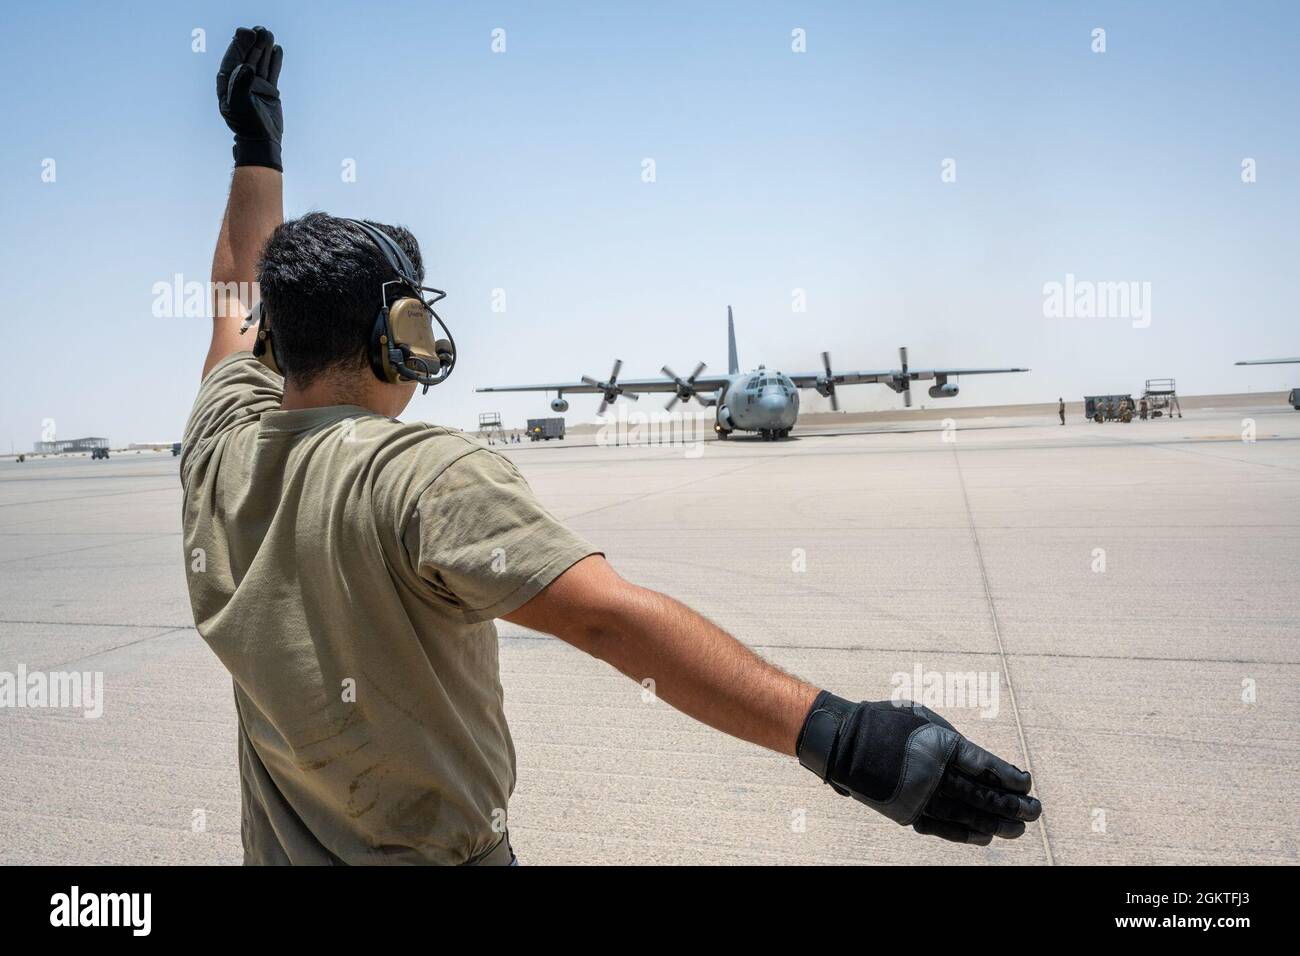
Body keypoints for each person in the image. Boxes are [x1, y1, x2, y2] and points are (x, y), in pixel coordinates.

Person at [183, 25, 1041, 865]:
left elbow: (234, 290)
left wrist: (253, 149)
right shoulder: (422, 476)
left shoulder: (220, 446)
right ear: (403, 334)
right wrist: (840, 735)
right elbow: (606, 618)